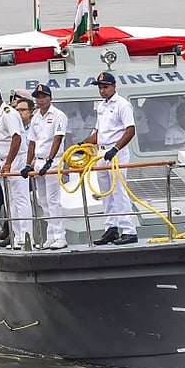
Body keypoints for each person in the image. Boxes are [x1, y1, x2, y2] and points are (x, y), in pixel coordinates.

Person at [82, 72, 139, 245]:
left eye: (105, 87)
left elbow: (130, 130)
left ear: (114, 86)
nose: (102, 90)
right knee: (105, 193)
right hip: (101, 152)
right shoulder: (101, 106)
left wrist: (115, 148)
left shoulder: (123, 105)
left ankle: (129, 230)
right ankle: (111, 228)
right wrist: (82, 144)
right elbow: (99, 133)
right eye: (100, 87)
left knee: (119, 191)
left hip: (116, 153)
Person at [0, 86, 31, 249]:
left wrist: (9, 162)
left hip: (16, 160)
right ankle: (17, 236)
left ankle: (26, 237)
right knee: (10, 200)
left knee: (20, 199)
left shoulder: (8, 114)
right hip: (4, 161)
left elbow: (16, 138)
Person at [22, 84, 68, 249]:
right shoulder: (35, 118)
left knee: (53, 200)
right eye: (38, 97)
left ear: (50, 98)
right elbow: (32, 142)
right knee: (43, 201)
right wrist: (28, 164)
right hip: (38, 161)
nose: (41, 100)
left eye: (44, 97)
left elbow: (58, 139)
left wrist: (49, 161)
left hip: (53, 161)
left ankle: (60, 237)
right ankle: (51, 236)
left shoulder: (58, 115)